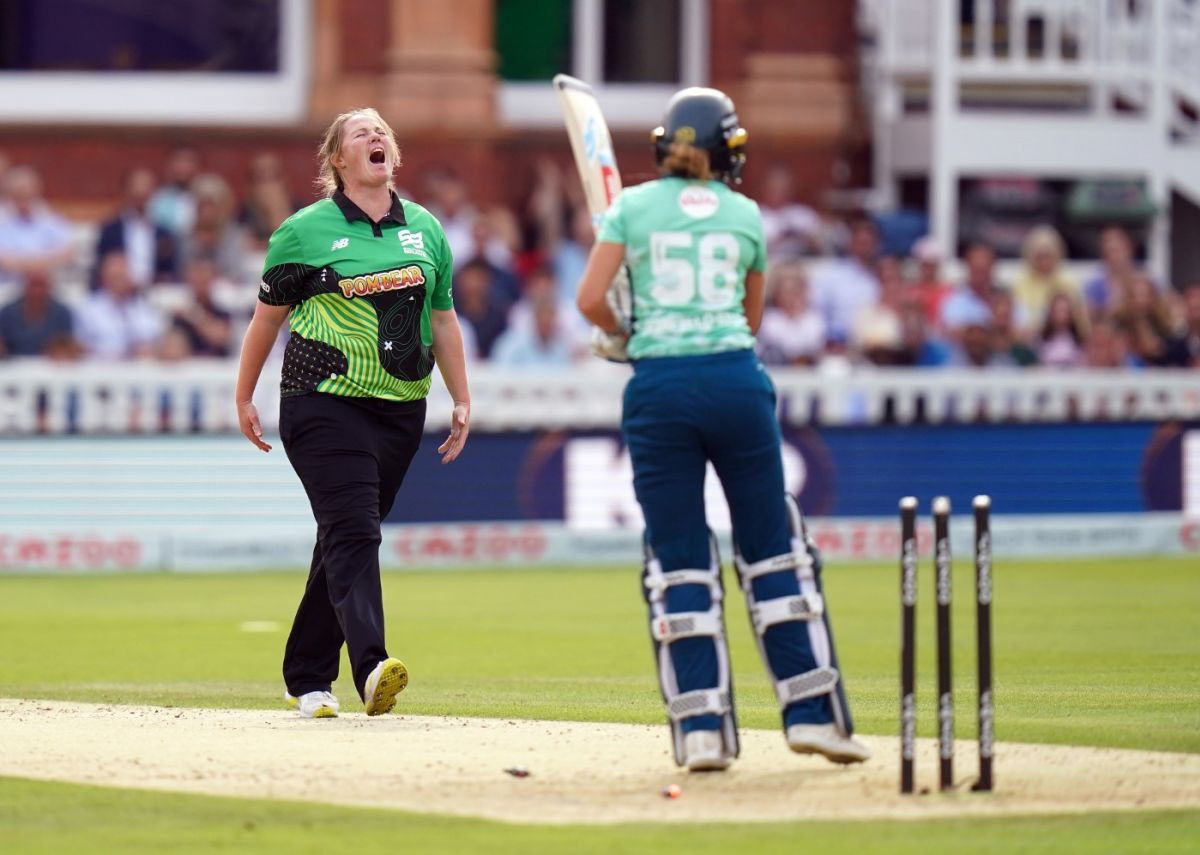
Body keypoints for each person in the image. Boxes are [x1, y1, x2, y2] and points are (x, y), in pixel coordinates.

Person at [576, 87, 870, 772]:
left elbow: (591, 300)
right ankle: (812, 714)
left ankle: (702, 727)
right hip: (736, 383)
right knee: (771, 546)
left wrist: (627, 333)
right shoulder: (747, 214)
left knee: (679, 555)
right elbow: (753, 316)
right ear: (725, 151)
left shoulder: (632, 206)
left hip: (661, 390)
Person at [235, 107, 471, 720]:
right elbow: (267, 319)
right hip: (322, 400)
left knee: (345, 536)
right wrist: (243, 394)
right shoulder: (302, 231)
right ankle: (371, 667)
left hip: (400, 408)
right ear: (337, 160)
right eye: (361, 132)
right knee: (357, 532)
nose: (376, 136)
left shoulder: (425, 229)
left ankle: (306, 675)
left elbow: (442, 319)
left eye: (383, 131)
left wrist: (461, 396)